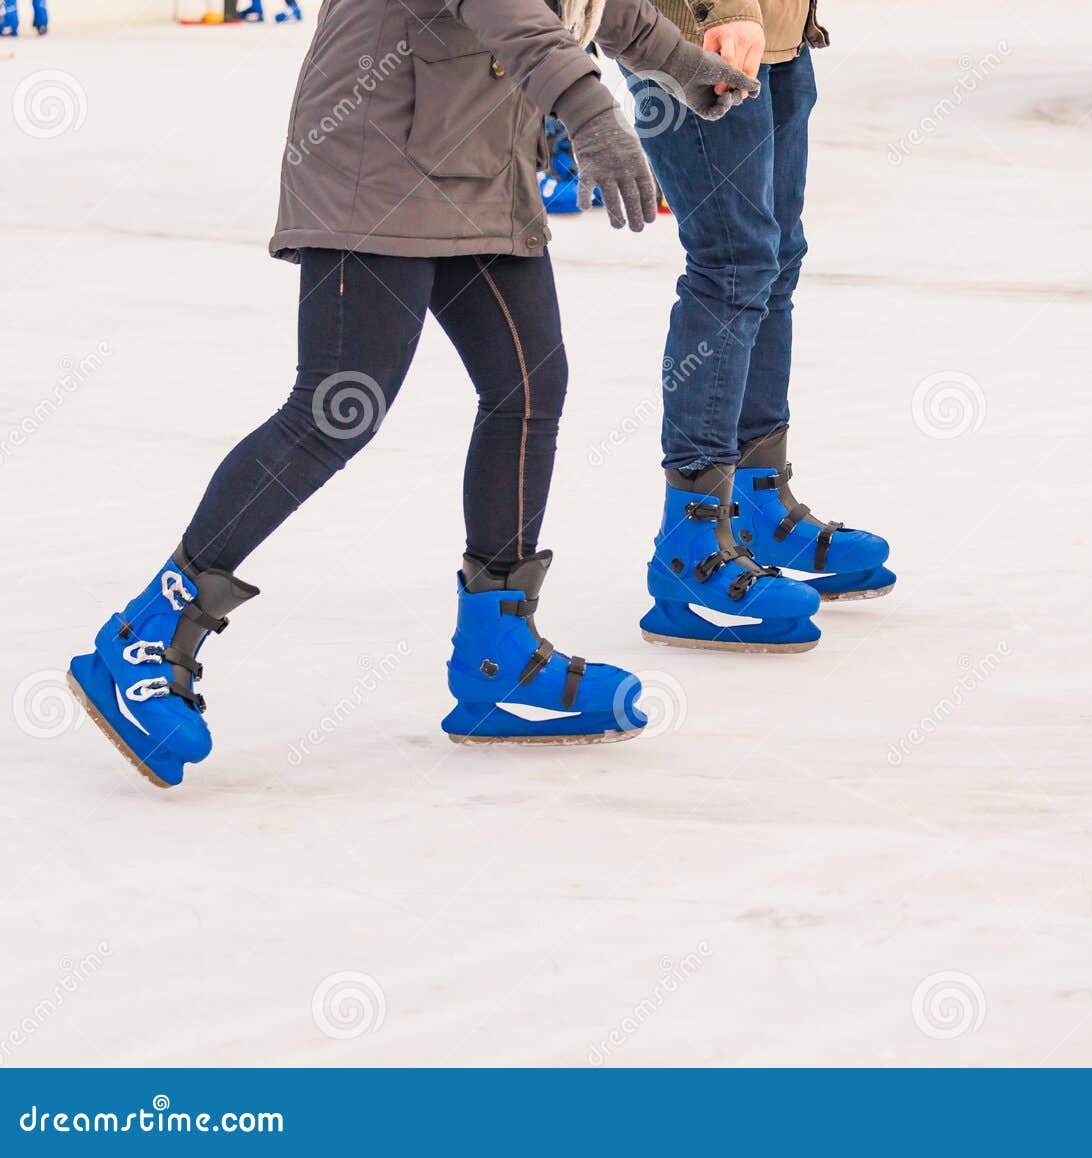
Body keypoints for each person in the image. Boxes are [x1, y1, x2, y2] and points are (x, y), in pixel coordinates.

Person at [67, 0, 759, 789]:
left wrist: (686, 66)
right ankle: (147, 633)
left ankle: (500, 653)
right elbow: (519, 20)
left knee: (529, 385)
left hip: (480, 162)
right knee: (334, 410)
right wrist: (593, 112)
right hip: (376, 159)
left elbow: (609, 9)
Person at [625, 1, 893, 656]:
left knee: (774, 258)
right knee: (732, 264)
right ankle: (690, 541)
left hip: (775, 35)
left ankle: (757, 502)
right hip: (700, 32)